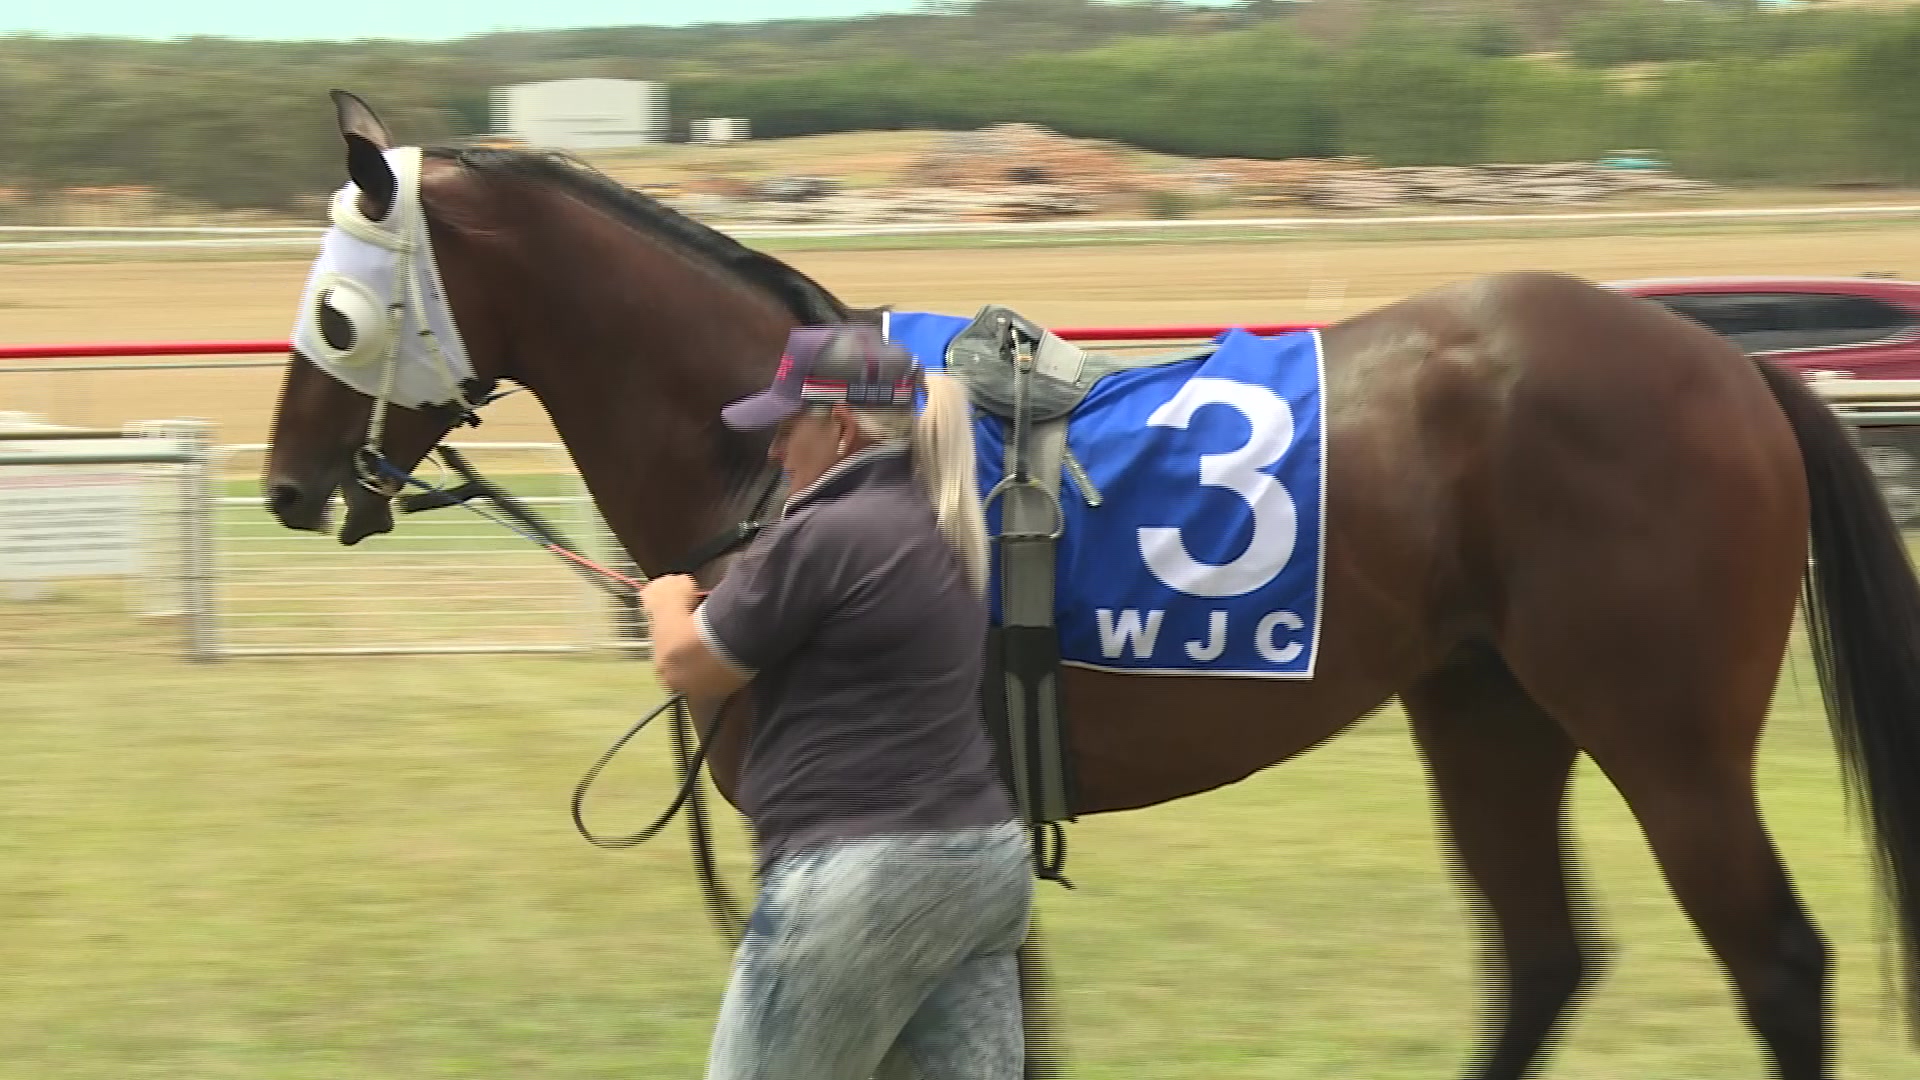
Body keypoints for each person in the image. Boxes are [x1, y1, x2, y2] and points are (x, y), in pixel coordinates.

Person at [638, 323, 1032, 1080]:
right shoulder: (938, 522)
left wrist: (664, 600)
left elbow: (688, 664)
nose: (775, 452)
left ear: (842, 428)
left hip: (861, 878)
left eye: (788, 429)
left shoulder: (819, 535)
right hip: (982, 868)